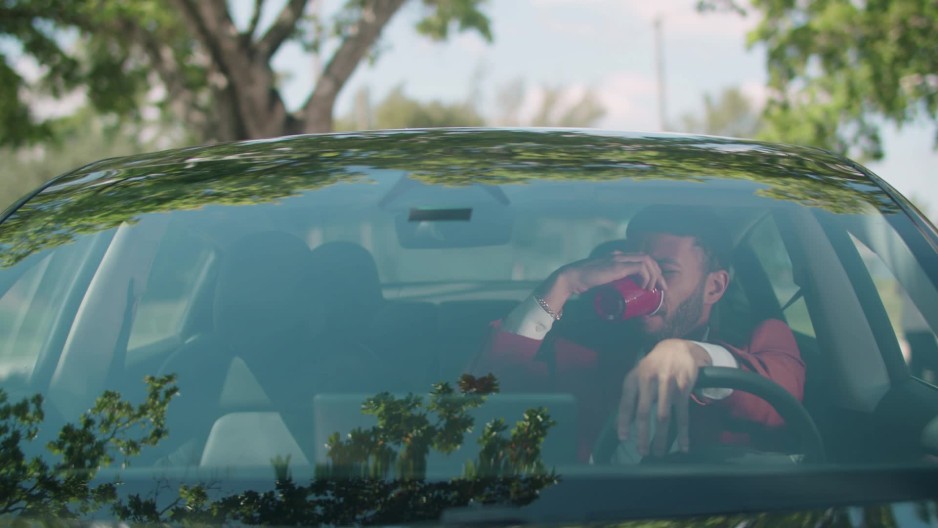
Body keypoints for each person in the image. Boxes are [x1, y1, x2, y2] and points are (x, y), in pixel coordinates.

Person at [469, 205, 805, 463]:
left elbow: (779, 398)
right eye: (636, 268)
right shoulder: (581, 350)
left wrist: (693, 355)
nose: (647, 283)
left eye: (666, 271)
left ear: (714, 287)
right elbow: (478, 404)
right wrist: (563, 283)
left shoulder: (759, 339)